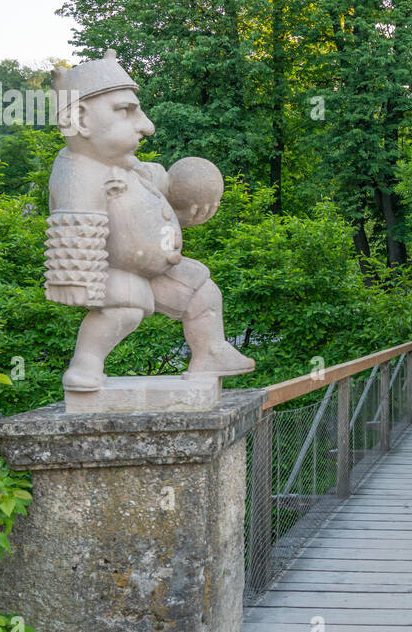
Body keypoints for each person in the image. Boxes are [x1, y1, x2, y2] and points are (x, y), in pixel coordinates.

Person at [44, 51, 255, 391]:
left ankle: (210, 352)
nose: (146, 125)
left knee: (200, 290)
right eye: (126, 111)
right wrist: (78, 282)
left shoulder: (135, 168)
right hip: (116, 274)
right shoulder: (78, 172)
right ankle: (86, 363)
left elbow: (162, 200)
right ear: (80, 120)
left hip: (158, 270)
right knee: (127, 305)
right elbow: (73, 234)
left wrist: (186, 212)